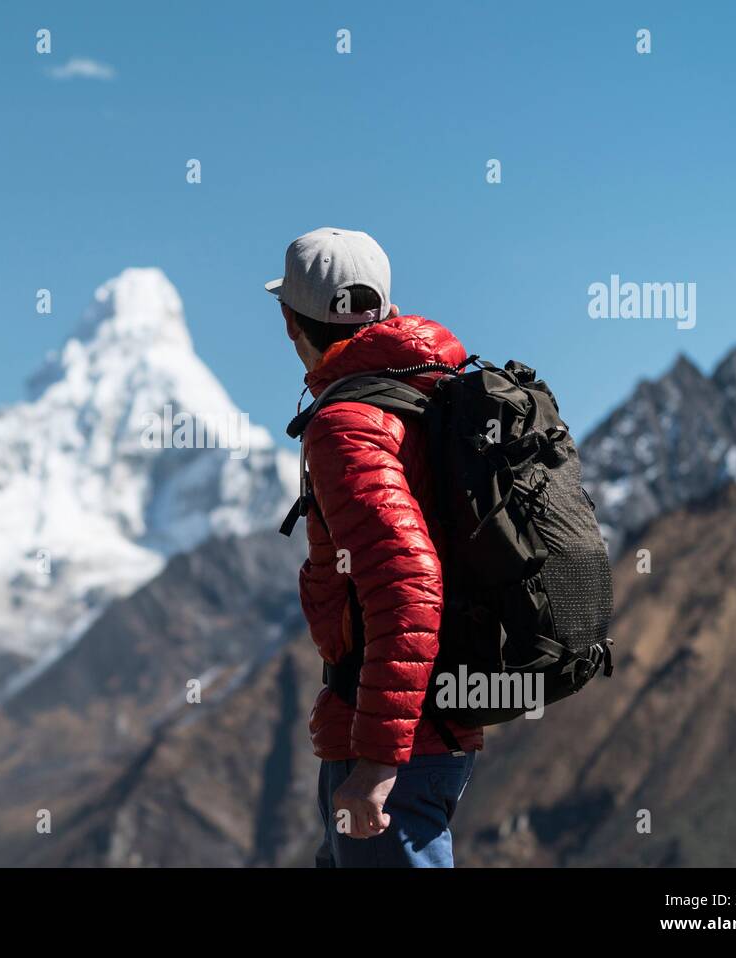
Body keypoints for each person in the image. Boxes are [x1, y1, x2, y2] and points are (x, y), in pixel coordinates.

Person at [266, 227, 483, 867]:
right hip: (433, 722)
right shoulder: (427, 392)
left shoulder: (346, 426)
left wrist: (377, 766)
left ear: (288, 321)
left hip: (396, 745)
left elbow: (409, 586)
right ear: (384, 309)